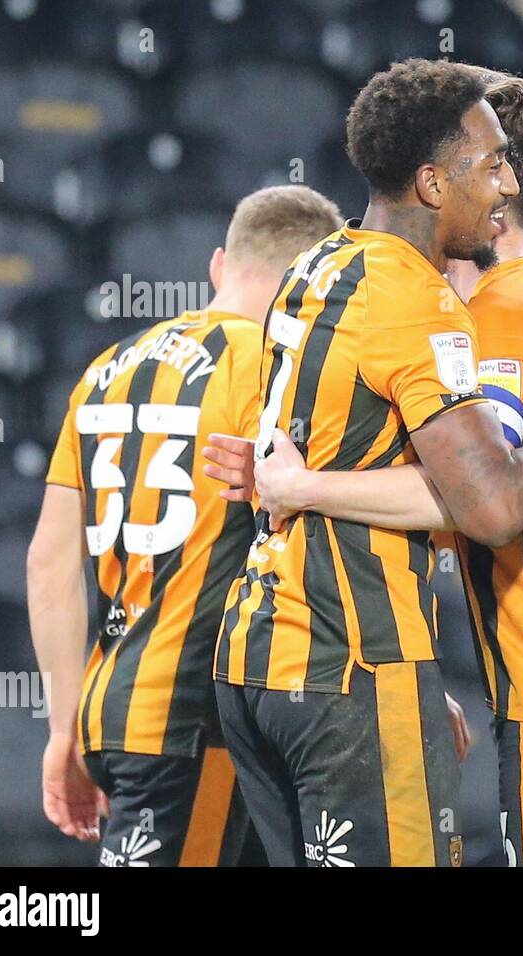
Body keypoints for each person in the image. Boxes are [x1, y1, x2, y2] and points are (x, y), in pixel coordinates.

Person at [207, 73, 523, 867]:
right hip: (356, 663)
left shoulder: (317, 265)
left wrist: (296, 485)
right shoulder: (422, 303)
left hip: (257, 656)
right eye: (492, 166)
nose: (508, 183)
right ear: (432, 182)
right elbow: (491, 502)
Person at [27, 185, 344, 866]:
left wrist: (63, 729)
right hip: (202, 718)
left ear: (218, 265)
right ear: (307, 284)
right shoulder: (274, 373)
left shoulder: (105, 369)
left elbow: (49, 564)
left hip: (115, 709)